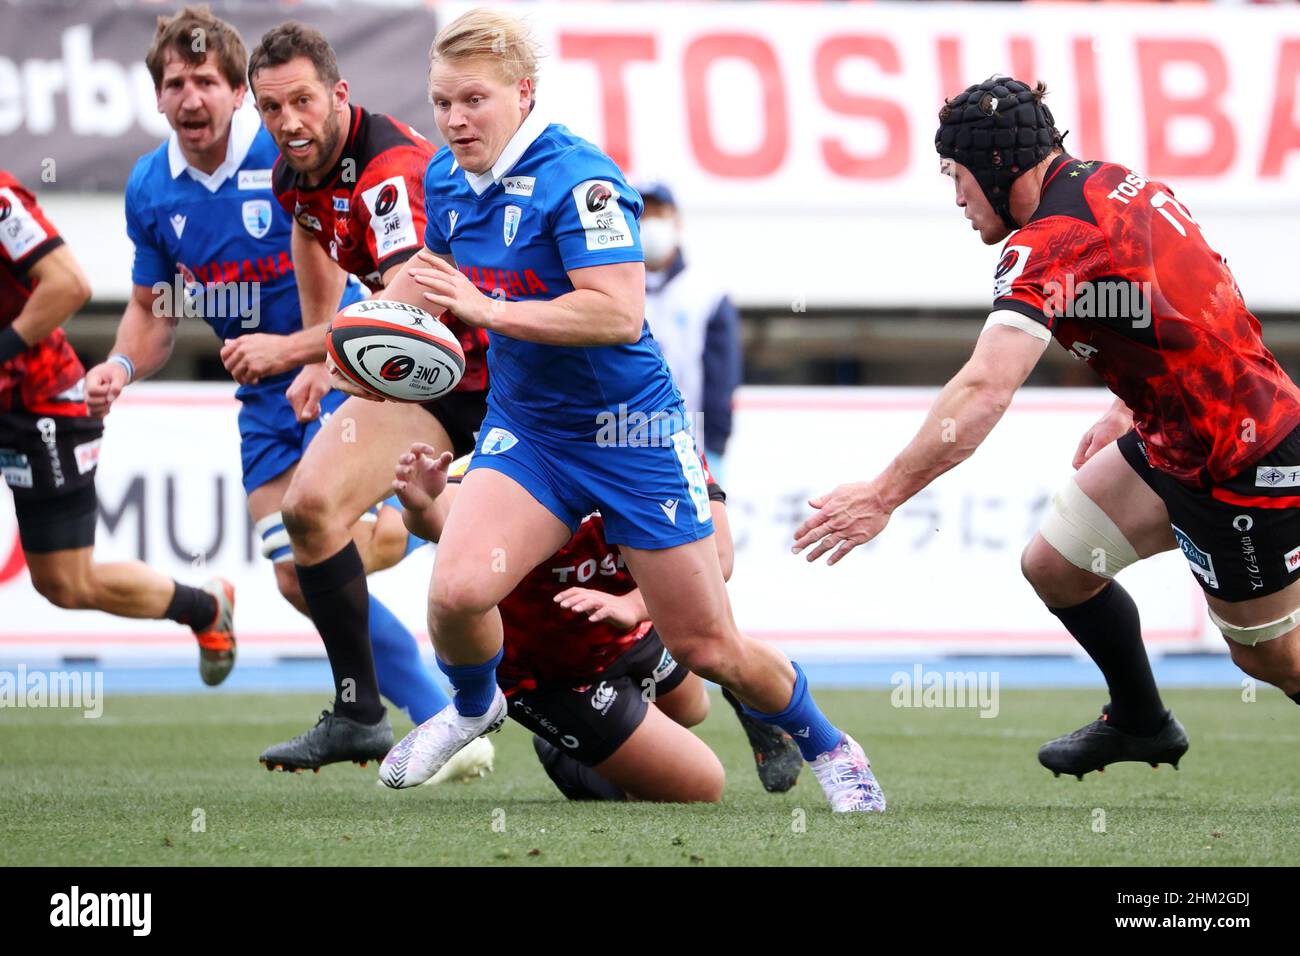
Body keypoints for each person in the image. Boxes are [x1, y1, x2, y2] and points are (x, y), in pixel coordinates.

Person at [373, 8, 884, 814]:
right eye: (441, 102)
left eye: (472, 99)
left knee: (706, 648)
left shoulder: (583, 178)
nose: (454, 119)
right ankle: (474, 708)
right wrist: (357, 335)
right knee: (458, 590)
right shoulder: (444, 177)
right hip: (532, 429)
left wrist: (489, 310)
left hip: (632, 432)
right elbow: (434, 273)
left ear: (522, 94)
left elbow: (614, 312)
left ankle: (828, 744)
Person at [794, 76, 1300, 781]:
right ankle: (1141, 721)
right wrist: (1130, 402)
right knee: (1058, 566)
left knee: (1270, 658)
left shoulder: (1051, 241)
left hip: (1241, 455)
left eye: (958, 177)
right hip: (1170, 436)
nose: (958, 200)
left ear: (998, 166)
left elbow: (982, 390)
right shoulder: (1117, 183)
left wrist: (881, 495)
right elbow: (1200, 286)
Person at [83, 7, 466, 770]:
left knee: (346, 536)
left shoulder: (290, 146)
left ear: (234, 93)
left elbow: (344, 258)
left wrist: (320, 355)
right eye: (173, 83)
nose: (190, 98)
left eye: (205, 82)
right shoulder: (149, 189)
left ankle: (442, 694)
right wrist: (121, 367)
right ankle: (417, 710)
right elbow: (151, 309)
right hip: (262, 394)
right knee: (297, 571)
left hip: (347, 366)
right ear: (157, 96)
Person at [247, 21, 492, 772]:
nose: (288, 122)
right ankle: (360, 711)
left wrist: (298, 349)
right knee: (308, 513)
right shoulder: (296, 172)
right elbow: (311, 238)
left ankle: (754, 698)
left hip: (496, 375)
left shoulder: (386, 170)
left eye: (302, 102)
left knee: (594, 565)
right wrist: (327, 354)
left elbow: (404, 309)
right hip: (424, 378)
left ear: (339, 94)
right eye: (269, 108)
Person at [389, 444, 803, 800]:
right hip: (550, 674)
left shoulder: (661, 444)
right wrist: (421, 505)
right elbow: (447, 519)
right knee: (701, 787)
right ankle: (567, 754)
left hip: (631, 627)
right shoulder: (509, 453)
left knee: (693, 708)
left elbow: (717, 559)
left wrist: (634, 607)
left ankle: (752, 705)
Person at [0, 167, 234, 683]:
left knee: (65, 583)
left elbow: (69, 285)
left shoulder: (1, 198)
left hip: (36, 404)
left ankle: (203, 607)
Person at [636, 181, 742, 482]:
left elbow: (721, 382)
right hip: (621, 447)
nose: (651, 223)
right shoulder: (609, 289)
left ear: (677, 221)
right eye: (643, 214)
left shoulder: (706, 294)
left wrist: (715, 452)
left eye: (659, 213)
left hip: (690, 450)